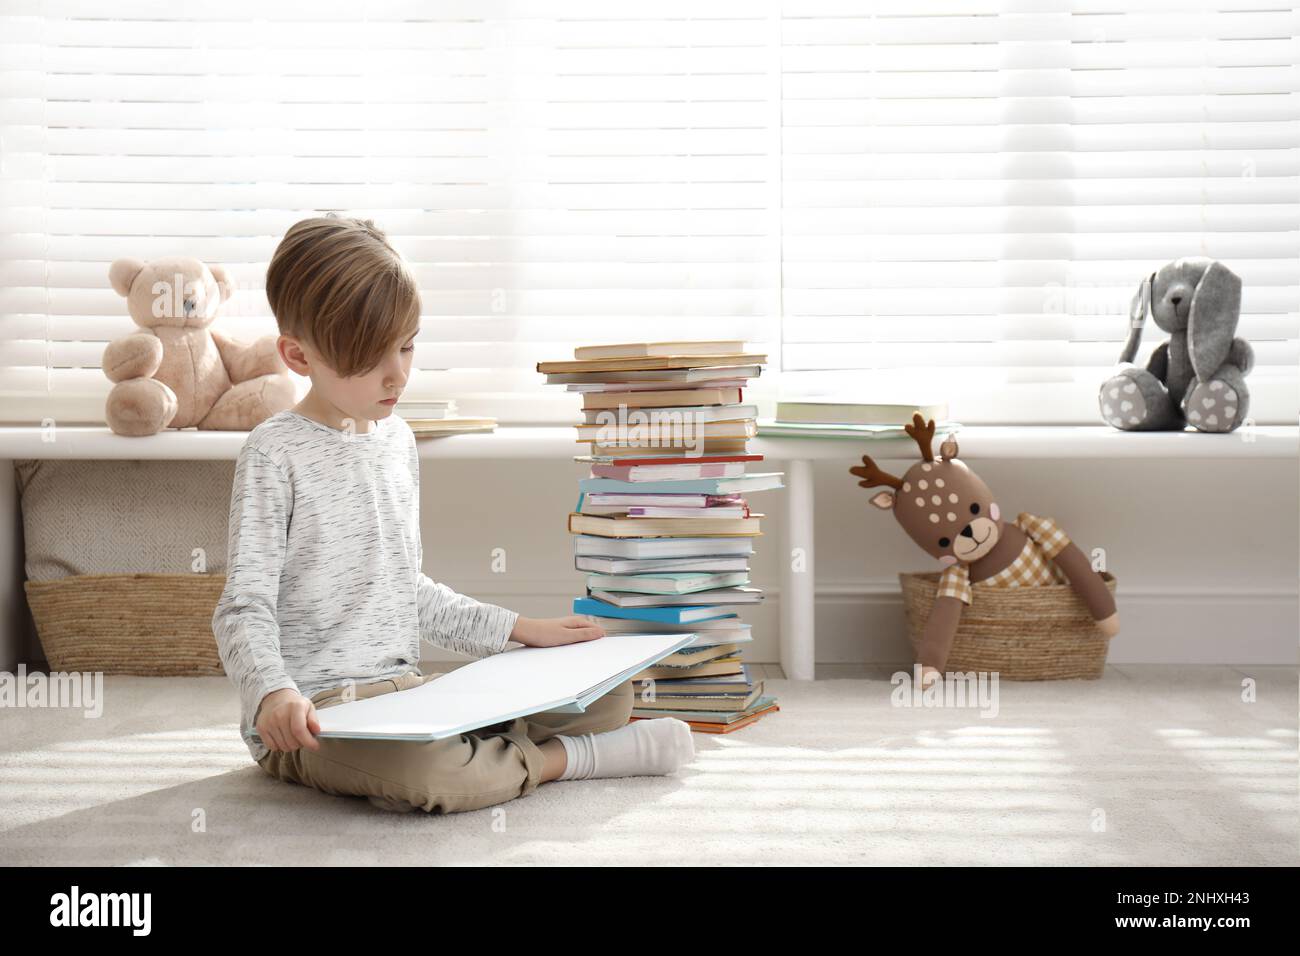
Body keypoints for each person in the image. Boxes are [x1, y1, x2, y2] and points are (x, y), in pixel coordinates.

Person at [211, 214, 695, 814]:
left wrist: (518, 629)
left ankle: (476, 746)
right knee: (427, 778)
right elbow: (241, 608)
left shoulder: (395, 441)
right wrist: (273, 696)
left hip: (408, 698)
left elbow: (407, 592)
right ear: (298, 355)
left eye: (408, 345)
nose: (398, 374)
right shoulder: (273, 453)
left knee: (605, 696)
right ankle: (568, 762)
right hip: (314, 720)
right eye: (369, 359)